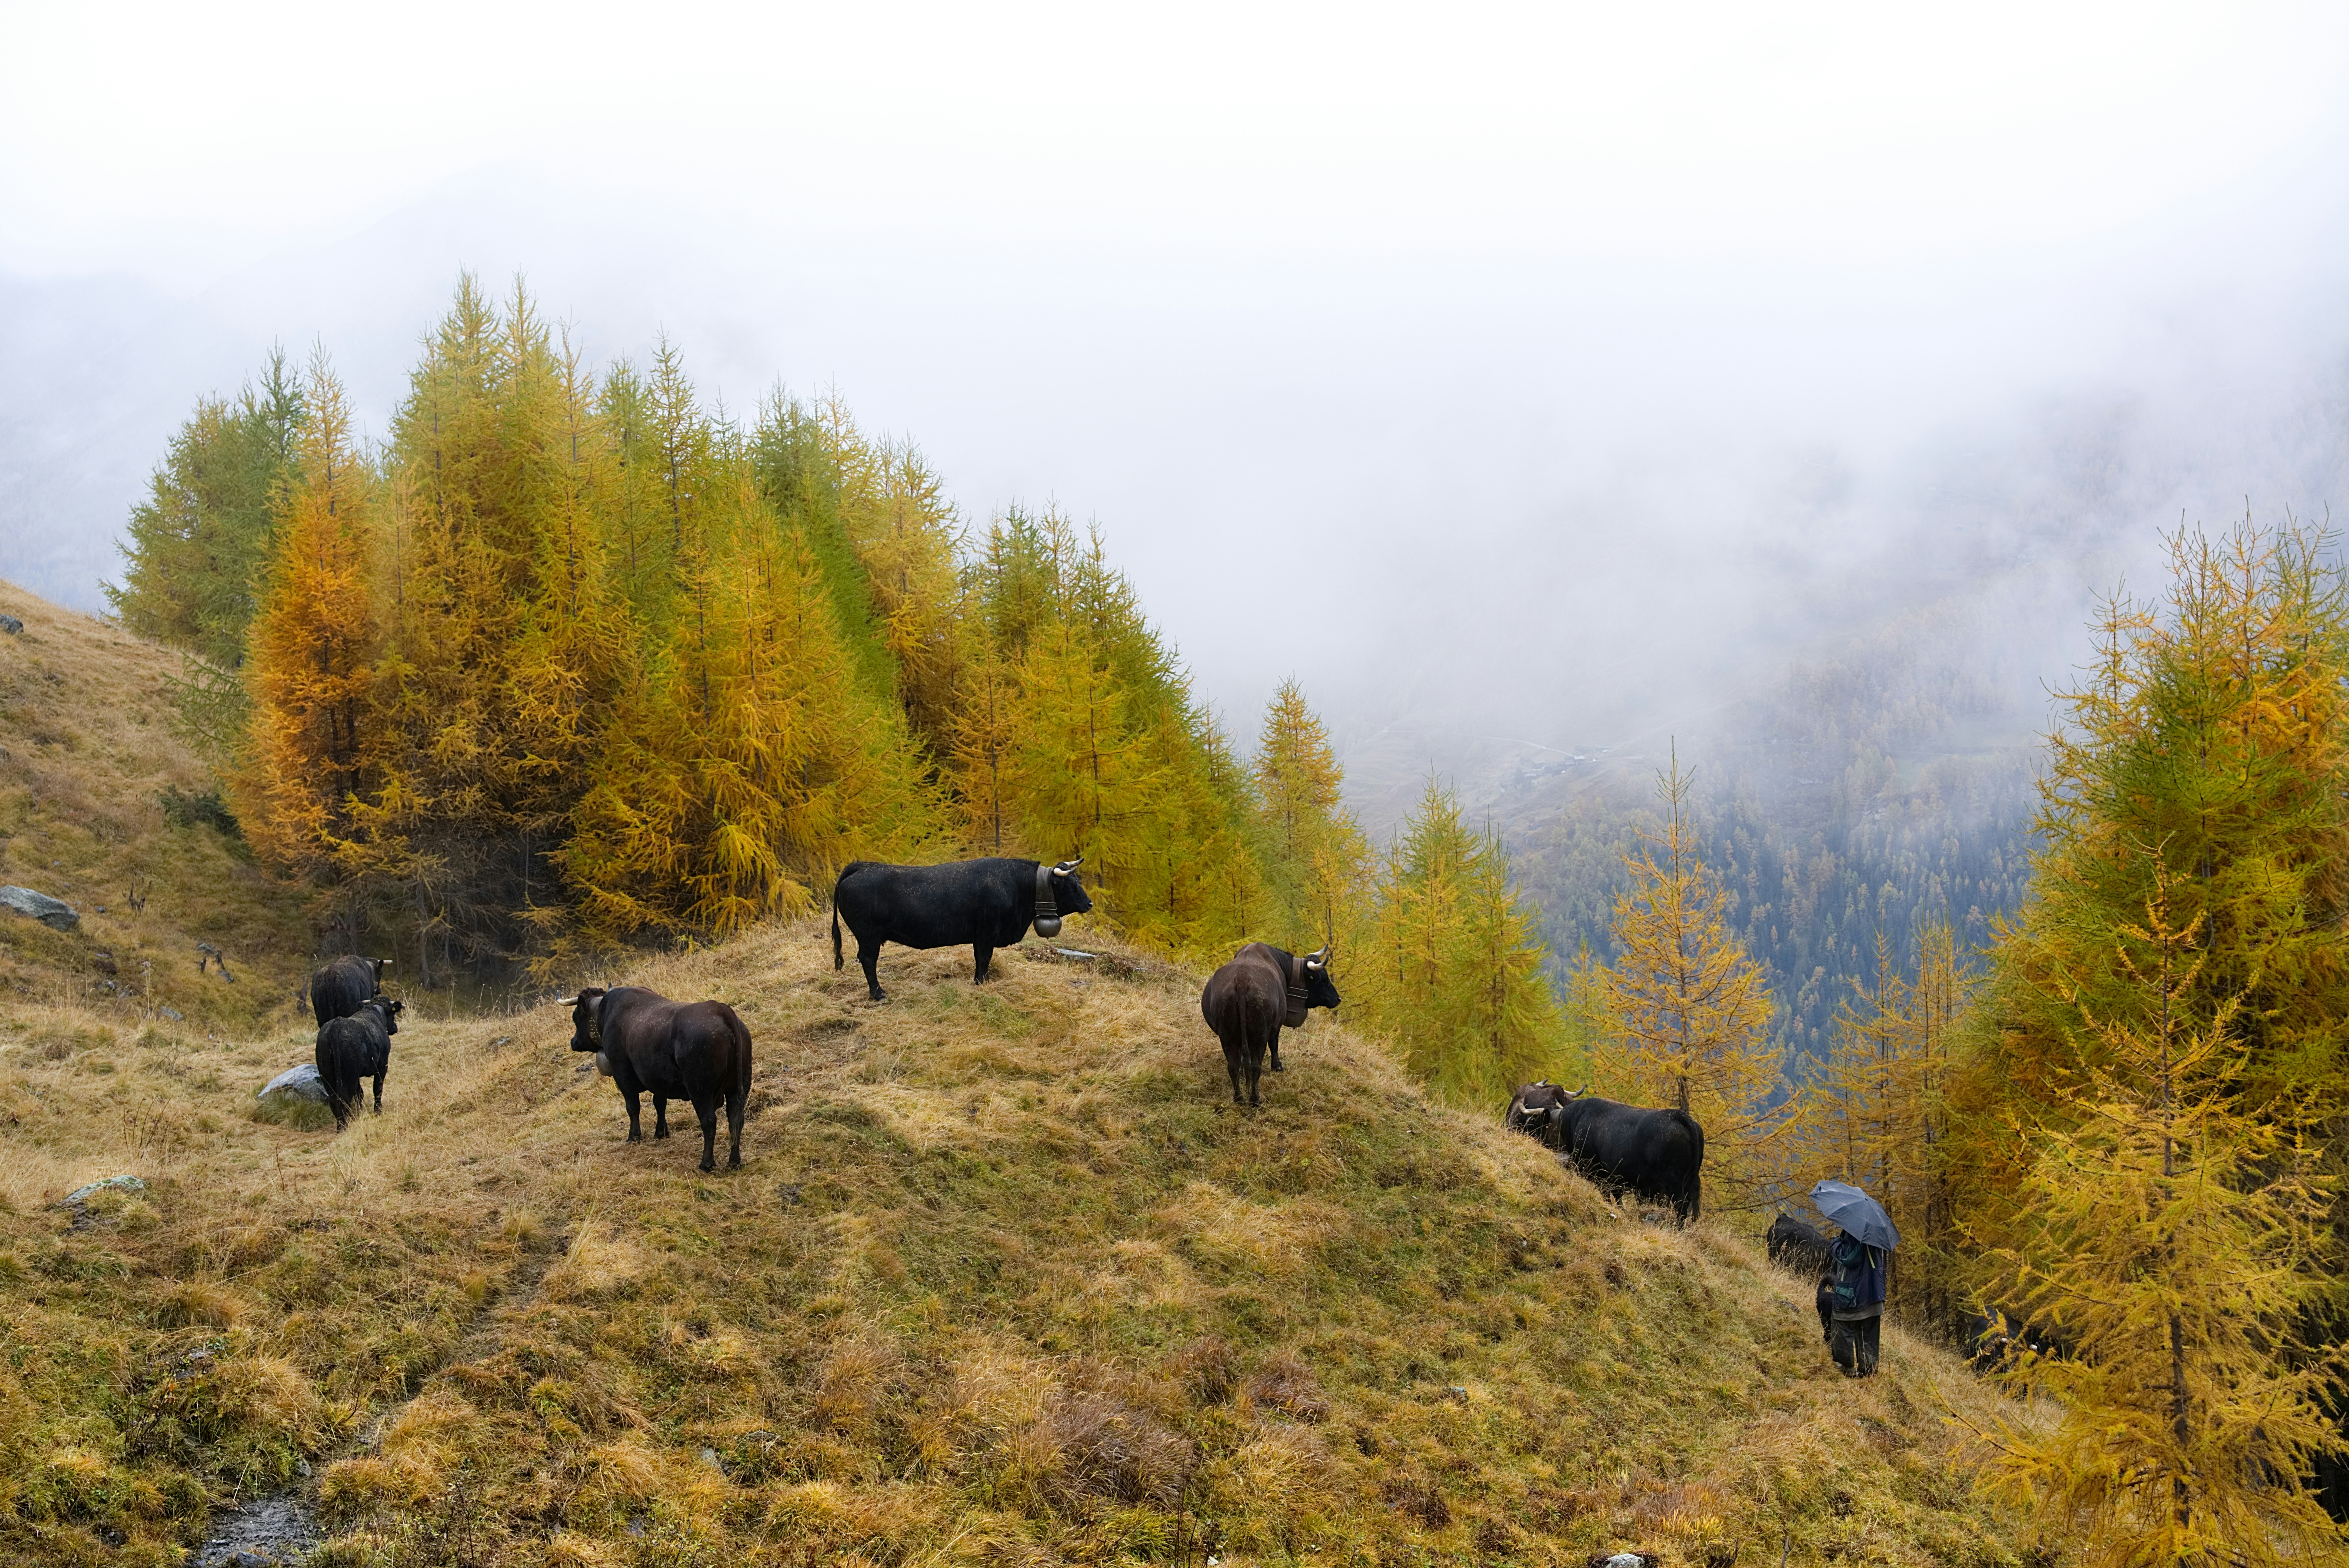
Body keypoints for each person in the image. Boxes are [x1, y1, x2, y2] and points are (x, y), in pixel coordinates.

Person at [1816, 1227, 1886, 1377]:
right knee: (1869, 1333)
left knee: (1843, 1327)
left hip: (1853, 1293)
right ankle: (1868, 1371)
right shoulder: (1879, 1233)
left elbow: (1849, 1258)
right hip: (1875, 1293)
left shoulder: (1855, 1232)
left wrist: (1835, 1243)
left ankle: (1845, 1368)